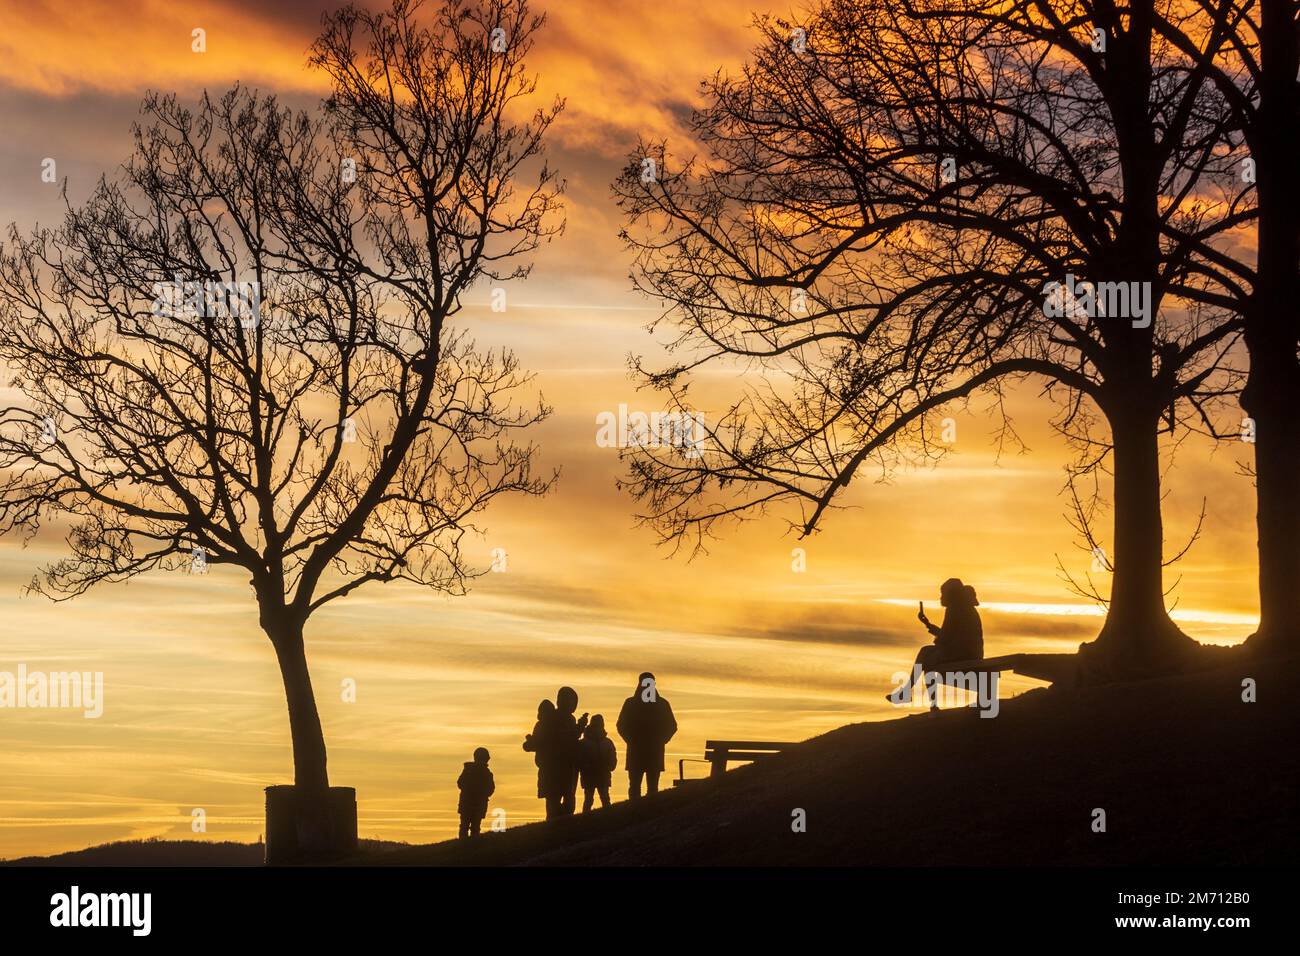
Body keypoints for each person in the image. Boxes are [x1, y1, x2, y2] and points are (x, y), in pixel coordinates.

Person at [888, 578, 983, 710]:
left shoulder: (954, 609)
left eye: (943, 593)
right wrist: (928, 624)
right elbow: (949, 634)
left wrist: (938, 640)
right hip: (967, 651)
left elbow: (945, 637)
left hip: (963, 653)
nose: (941, 597)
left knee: (925, 655)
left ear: (951, 594)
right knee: (927, 658)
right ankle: (917, 697)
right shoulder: (964, 608)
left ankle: (914, 695)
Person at [616, 671, 677, 800]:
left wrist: (661, 740)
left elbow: (672, 726)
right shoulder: (632, 703)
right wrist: (631, 740)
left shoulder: (660, 704)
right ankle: (635, 812)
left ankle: (646, 812)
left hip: (650, 751)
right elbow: (621, 725)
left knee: (650, 786)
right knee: (637, 786)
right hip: (639, 751)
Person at [552, 686, 588, 816]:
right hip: (560, 763)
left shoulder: (568, 718)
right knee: (558, 799)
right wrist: (581, 726)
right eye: (571, 701)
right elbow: (568, 737)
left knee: (567, 797)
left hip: (568, 762)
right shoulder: (558, 718)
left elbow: (571, 737)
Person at [522, 699, 559, 819]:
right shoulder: (554, 723)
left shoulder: (542, 725)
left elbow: (539, 743)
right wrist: (530, 743)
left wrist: (530, 743)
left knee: (551, 797)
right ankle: (554, 819)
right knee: (553, 796)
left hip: (548, 765)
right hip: (551, 765)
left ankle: (552, 819)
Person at [578, 714, 617, 812]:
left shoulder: (606, 742)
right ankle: (585, 820)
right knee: (589, 800)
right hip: (589, 775)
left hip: (602, 774)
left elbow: (612, 757)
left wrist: (610, 766)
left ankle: (608, 818)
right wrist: (585, 766)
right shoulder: (585, 743)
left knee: (604, 798)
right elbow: (580, 759)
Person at [456, 747, 495, 839]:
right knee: (471, 827)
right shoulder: (484, 772)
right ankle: (467, 845)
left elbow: (460, 783)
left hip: (470, 803)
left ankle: (466, 845)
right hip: (473, 804)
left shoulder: (470, 770)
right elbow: (491, 788)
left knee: (469, 826)